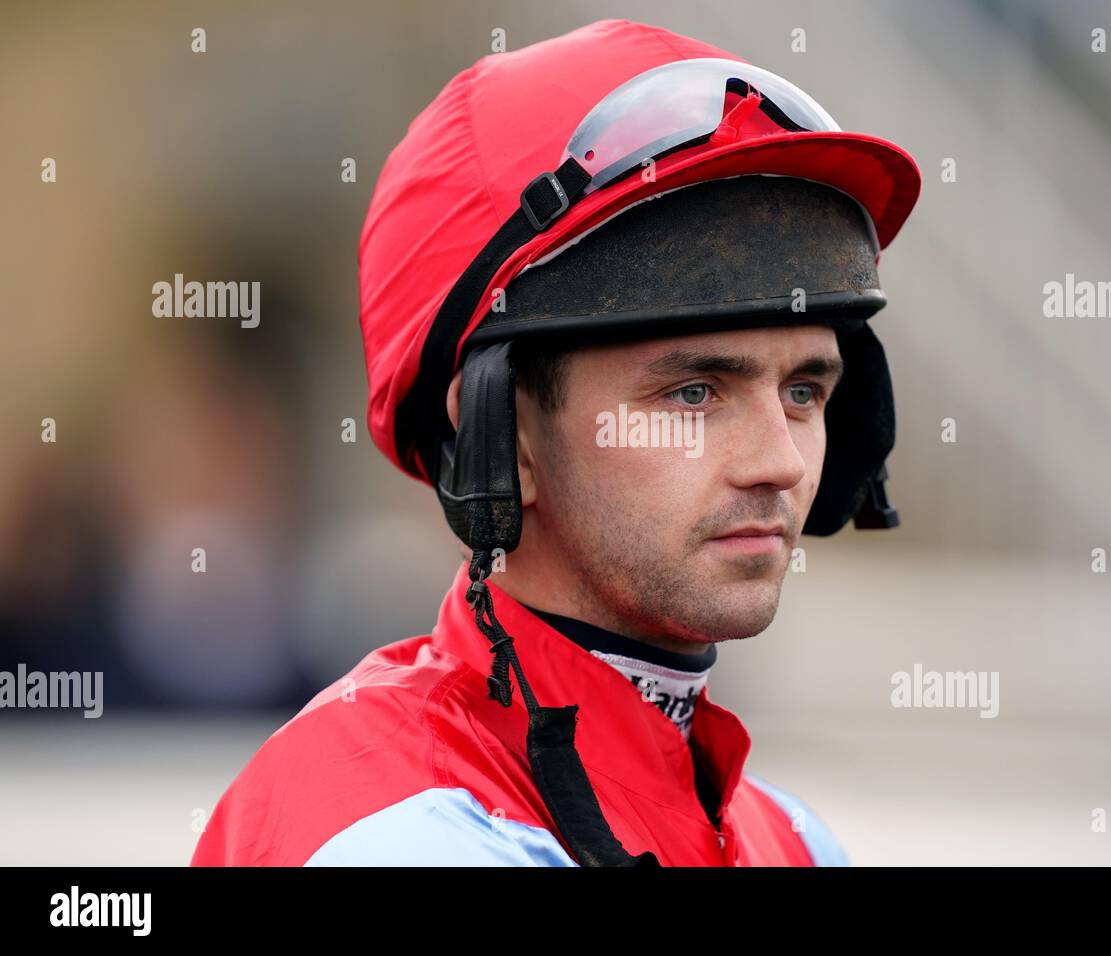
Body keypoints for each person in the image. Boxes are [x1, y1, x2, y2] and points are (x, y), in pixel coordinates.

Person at [191, 17, 919, 867]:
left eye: (803, 391)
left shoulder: (791, 842)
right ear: (505, 438)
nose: (780, 462)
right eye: (694, 394)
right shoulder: (389, 835)